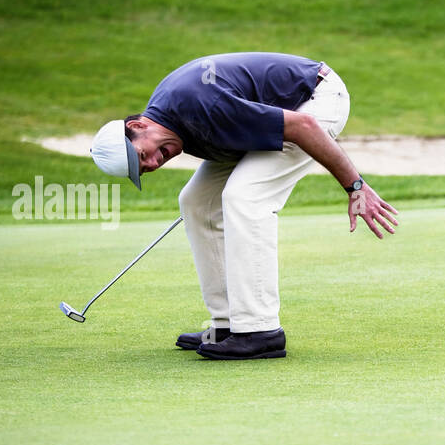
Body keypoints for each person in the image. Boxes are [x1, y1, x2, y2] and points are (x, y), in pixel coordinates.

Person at [90, 52, 398, 360]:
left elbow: (303, 126)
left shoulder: (202, 107)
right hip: (275, 112)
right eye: (144, 168)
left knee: (245, 196)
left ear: (138, 125)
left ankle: (260, 331)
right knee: (196, 201)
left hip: (315, 99)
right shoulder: (170, 119)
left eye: (143, 155)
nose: (155, 162)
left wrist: (355, 186)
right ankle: (228, 323)